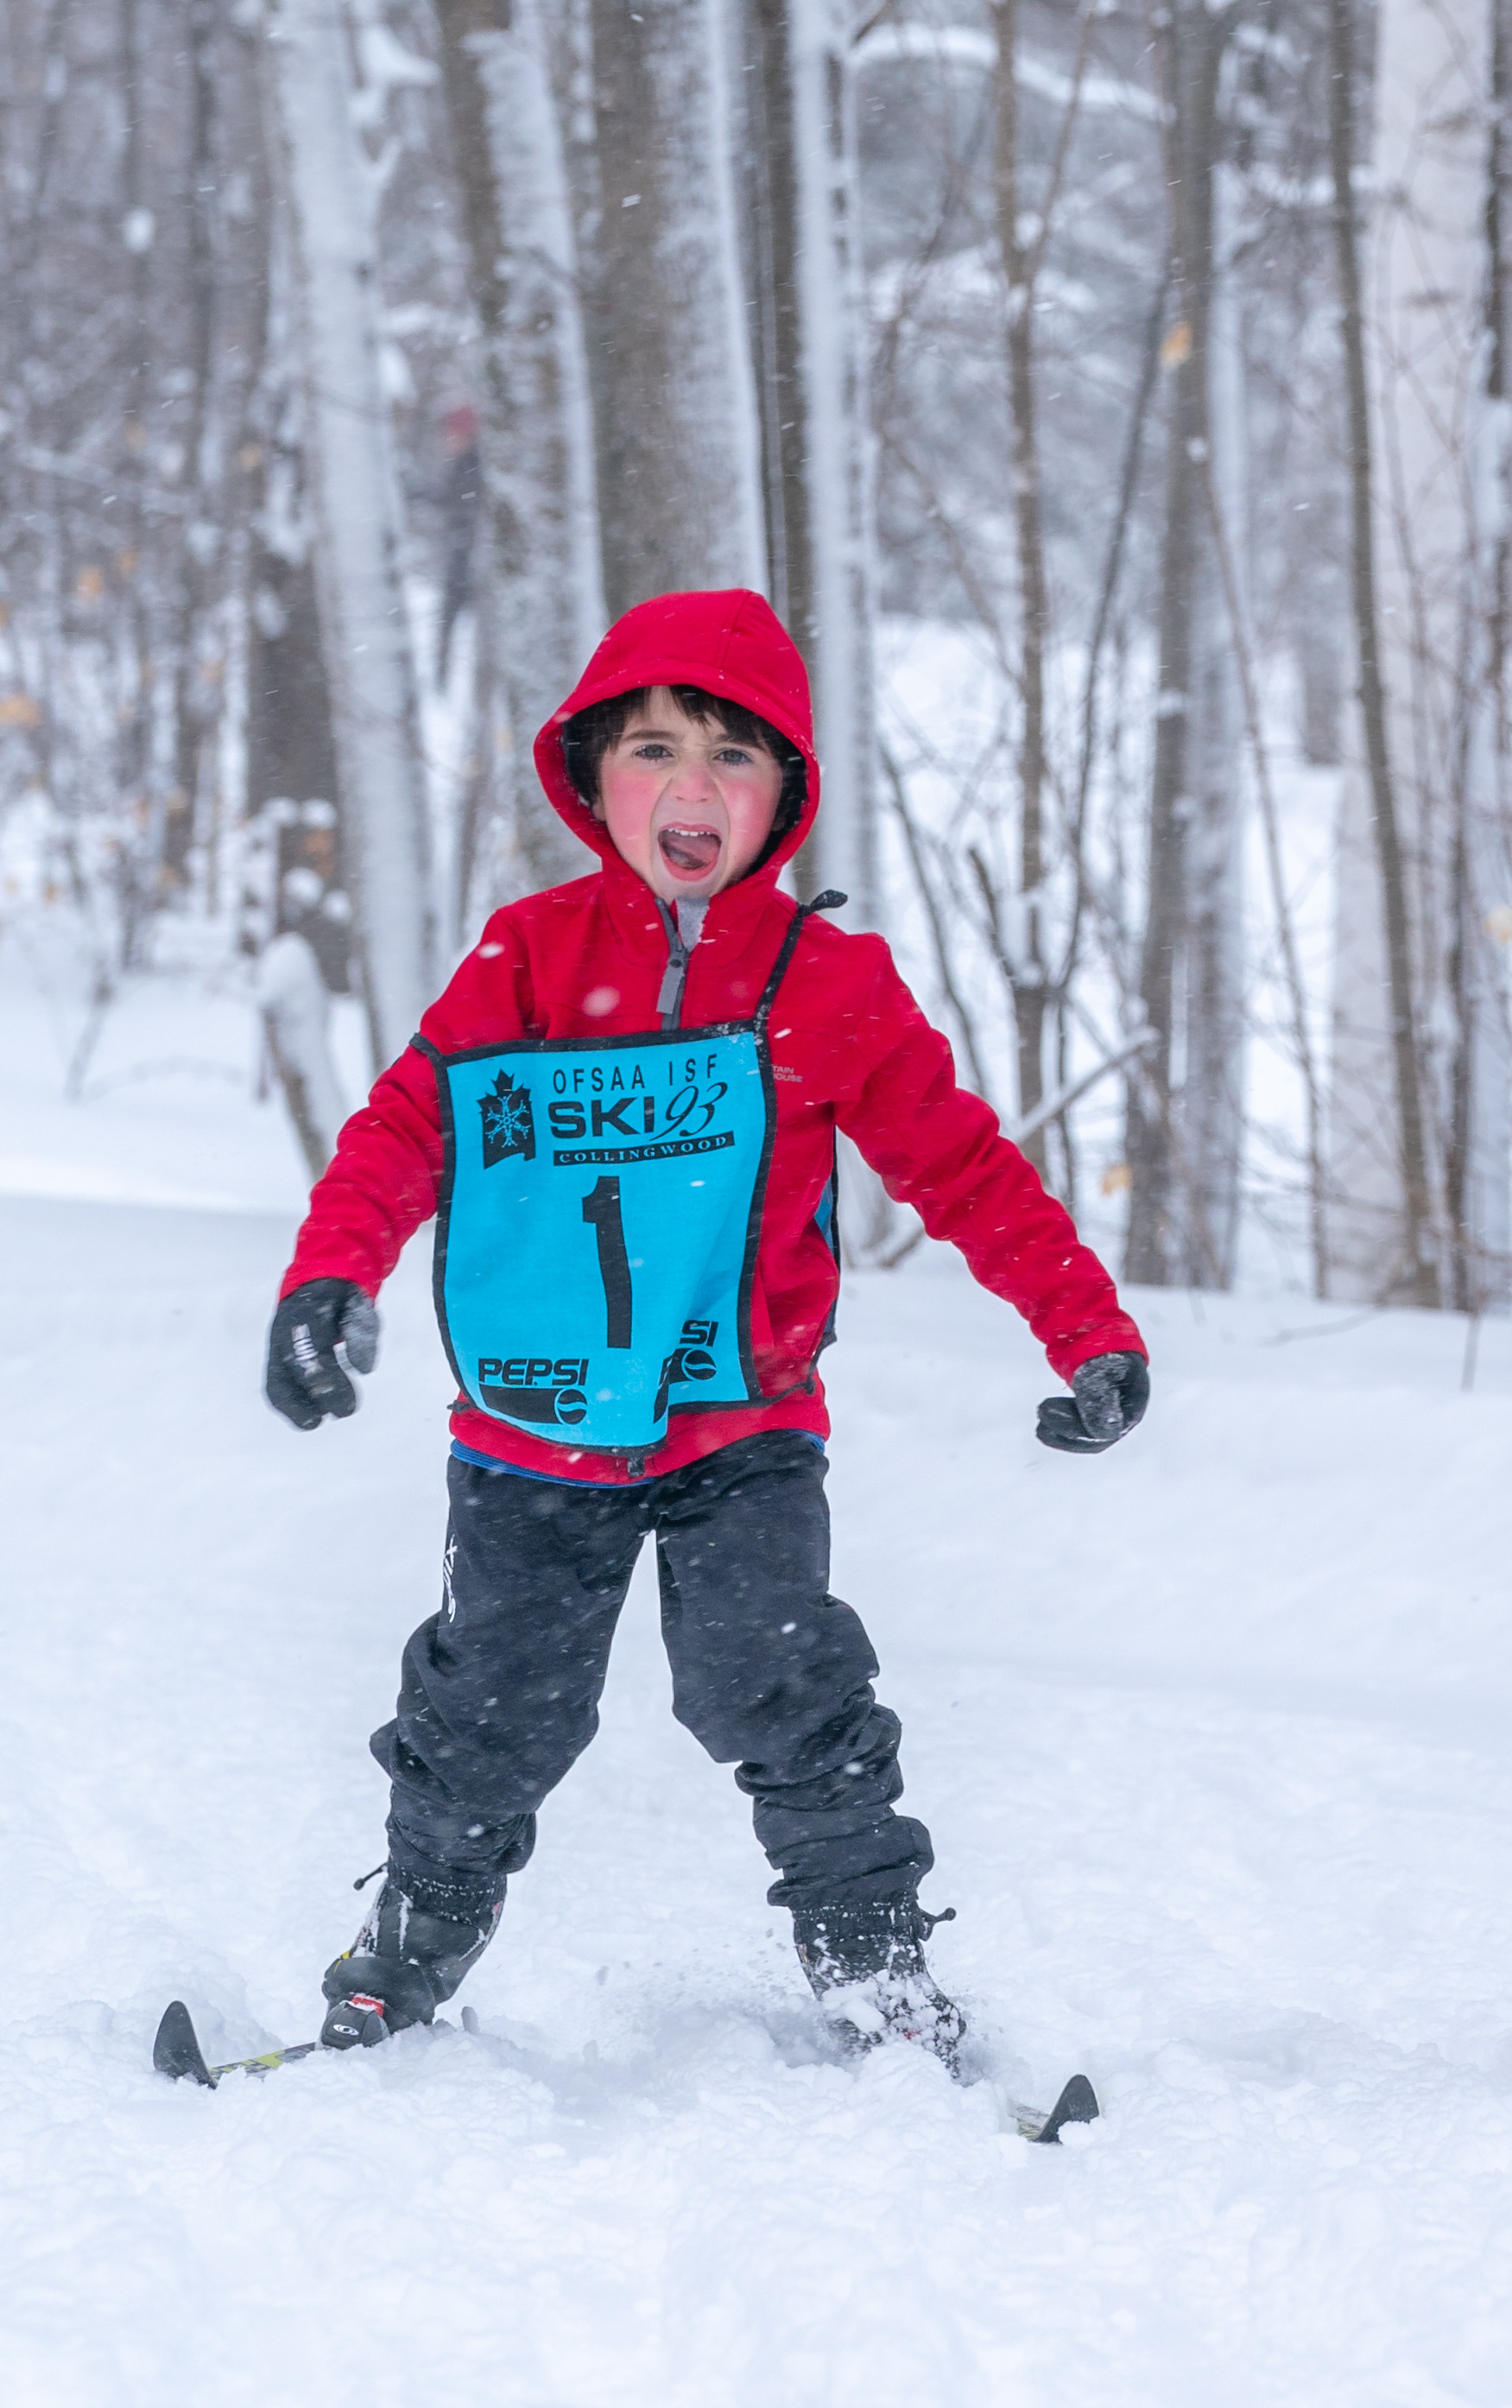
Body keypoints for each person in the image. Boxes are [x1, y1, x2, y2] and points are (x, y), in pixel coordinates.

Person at [255, 586, 1150, 2063]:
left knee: (779, 1683)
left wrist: (1085, 1327)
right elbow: (406, 1126)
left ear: (783, 793)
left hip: (742, 1420)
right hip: (538, 1423)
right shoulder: (527, 961)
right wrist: (328, 1277)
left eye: (733, 755)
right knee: (492, 1709)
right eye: (655, 746)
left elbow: (961, 1164)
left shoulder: (826, 982)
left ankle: (874, 1962)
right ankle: (407, 1948)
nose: (691, 786)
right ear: (593, 775)